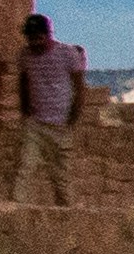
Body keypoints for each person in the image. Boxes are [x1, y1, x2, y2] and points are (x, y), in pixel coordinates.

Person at [14, 15, 85, 205]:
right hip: (36, 123)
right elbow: (23, 82)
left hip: (60, 124)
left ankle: (66, 215)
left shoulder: (67, 54)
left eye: (37, 38)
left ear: (47, 35)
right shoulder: (25, 55)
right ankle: (16, 212)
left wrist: (73, 116)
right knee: (26, 167)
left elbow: (79, 87)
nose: (34, 44)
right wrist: (25, 110)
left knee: (61, 176)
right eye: (30, 39)